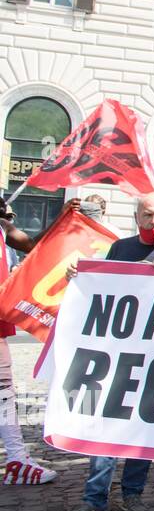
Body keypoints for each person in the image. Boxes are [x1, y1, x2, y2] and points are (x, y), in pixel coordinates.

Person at [57, 192, 154, 511]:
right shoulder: (121, 248)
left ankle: (132, 494)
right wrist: (77, 274)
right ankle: (95, 499)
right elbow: (101, 287)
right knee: (105, 425)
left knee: (142, 428)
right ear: (137, 217)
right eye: (149, 215)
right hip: (117, 356)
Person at [0, 199, 59, 486]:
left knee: (3, 390)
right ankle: (16, 458)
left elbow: (33, 245)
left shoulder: (3, 227)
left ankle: (17, 458)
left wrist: (62, 220)